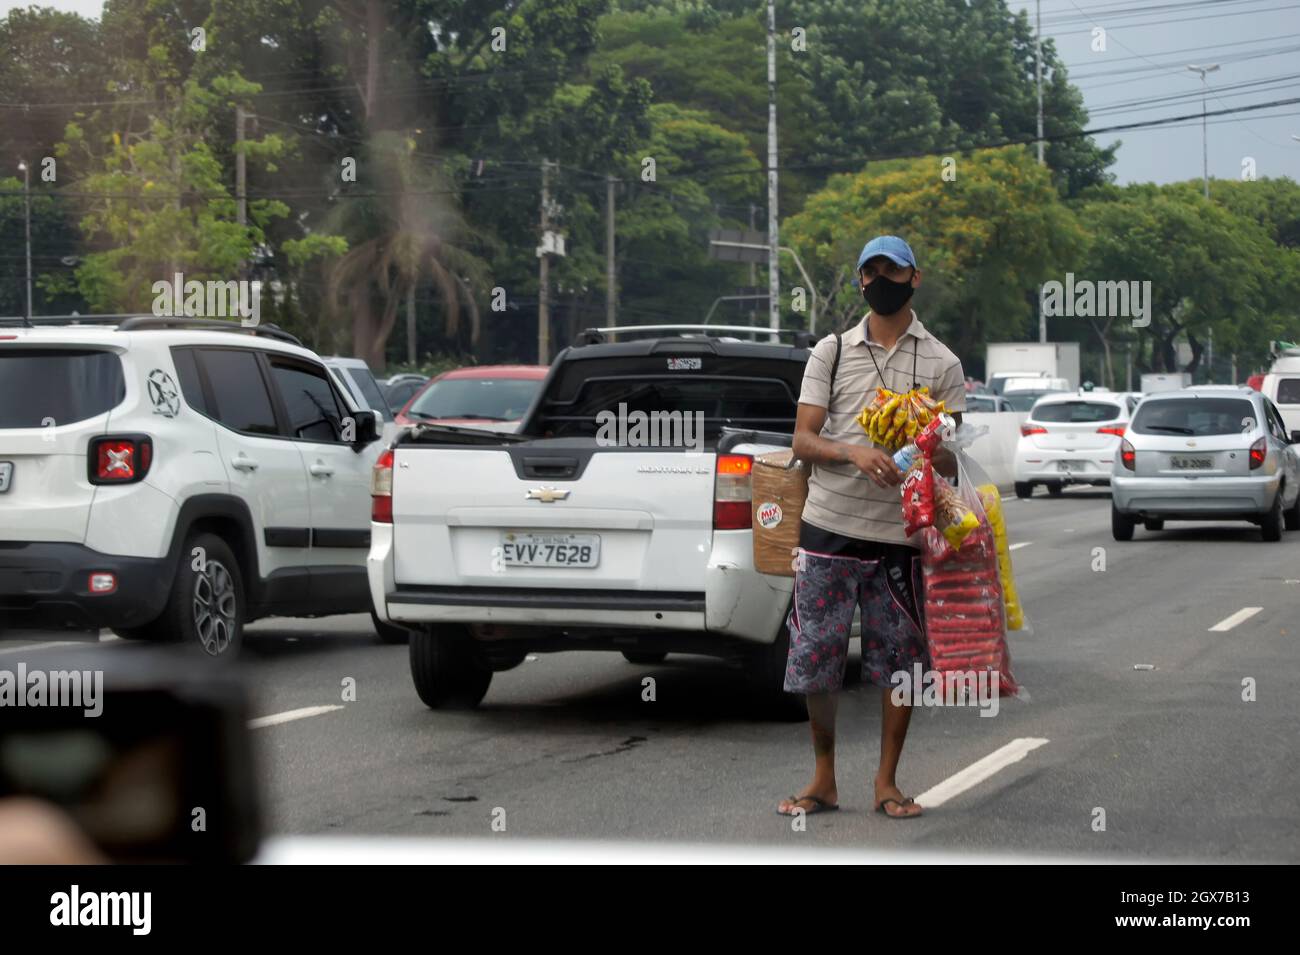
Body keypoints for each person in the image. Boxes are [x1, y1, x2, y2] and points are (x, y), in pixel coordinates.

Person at [776, 235, 966, 819]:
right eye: (871, 271)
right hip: (828, 526)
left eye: (893, 271)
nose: (881, 280)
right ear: (860, 280)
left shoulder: (942, 363)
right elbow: (802, 440)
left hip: (898, 536)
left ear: (914, 278)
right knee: (817, 656)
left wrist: (925, 445)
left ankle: (887, 781)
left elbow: (951, 459)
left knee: (900, 662)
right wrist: (854, 452)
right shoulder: (831, 351)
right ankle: (823, 778)